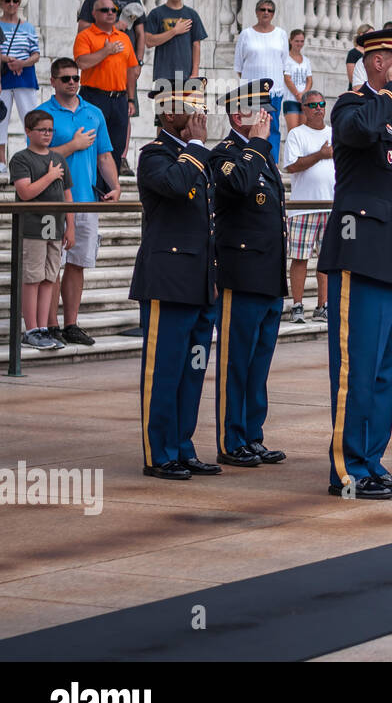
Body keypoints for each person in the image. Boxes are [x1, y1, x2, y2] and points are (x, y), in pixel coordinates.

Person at [319, 26, 392, 500]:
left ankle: (372, 461)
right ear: (378, 62)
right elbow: (357, 133)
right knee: (356, 368)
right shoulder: (353, 104)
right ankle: (347, 468)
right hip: (362, 254)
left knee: (386, 370)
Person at [131, 80, 222, 480]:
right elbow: (174, 185)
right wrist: (197, 148)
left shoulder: (194, 156)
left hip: (199, 283)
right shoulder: (154, 155)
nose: (200, 117)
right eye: (192, 109)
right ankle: (159, 453)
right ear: (170, 115)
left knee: (192, 372)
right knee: (163, 372)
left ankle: (183, 447)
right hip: (167, 282)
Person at [207, 79, 290, 468]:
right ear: (239, 114)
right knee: (235, 362)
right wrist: (256, 144)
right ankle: (231, 439)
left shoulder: (262, 154)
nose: (269, 116)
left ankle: (252, 435)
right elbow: (238, 184)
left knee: (258, 364)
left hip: (268, 275)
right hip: (240, 275)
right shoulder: (224, 153)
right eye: (262, 110)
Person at [37, 57, 120, 347]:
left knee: (77, 263)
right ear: (53, 81)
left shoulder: (94, 112)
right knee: (52, 265)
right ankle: (50, 325)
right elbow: (36, 157)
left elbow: (105, 154)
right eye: (66, 79)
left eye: (76, 78)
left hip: (86, 199)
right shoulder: (42, 113)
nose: (72, 83)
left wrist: (116, 185)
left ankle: (71, 323)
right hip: (52, 201)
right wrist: (72, 146)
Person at [12, 110, 74, 350]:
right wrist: (49, 177)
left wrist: (71, 226)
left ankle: (45, 328)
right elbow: (25, 193)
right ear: (29, 132)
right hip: (32, 228)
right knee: (32, 278)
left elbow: (68, 195)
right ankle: (32, 329)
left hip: (55, 229)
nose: (47, 134)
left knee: (49, 277)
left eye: (50, 130)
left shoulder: (59, 158)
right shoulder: (21, 159)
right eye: (42, 130)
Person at [74, 0, 139, 186]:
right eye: (105, 10)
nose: (110, 13)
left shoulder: (124, 37)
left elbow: (131, 70)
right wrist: (106, 51)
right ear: (94, 14)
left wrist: (131, 100)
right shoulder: (85, 36)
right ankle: (90, 187)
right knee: (91, 144)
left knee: (116, 146)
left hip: (119, 98)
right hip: (94, 96)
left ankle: (109, 188)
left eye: (113, 10)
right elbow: (81, 62)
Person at [283, 90, 333, 323]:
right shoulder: (297, 134)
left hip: (331, 205)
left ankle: (323, 306)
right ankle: (297, 305)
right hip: (304, 206)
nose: (318, 108)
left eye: (321, 104)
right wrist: (321, 155)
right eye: (313, 105)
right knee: (300, 259)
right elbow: (291, 166)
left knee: (327, 260)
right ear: (304, 108)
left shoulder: (335, 134)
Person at [233, 0, 289, 163]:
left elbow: (284, 63)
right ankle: (249, 162)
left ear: (273, 14)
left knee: (272, 128)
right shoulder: (246, 34)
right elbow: (239, 66)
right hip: (251, 91)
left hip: (274, 91)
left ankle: (271, 164)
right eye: (263, 9)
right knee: (249, 126)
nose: (266, 12)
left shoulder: (281, 34)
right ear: (256, 12)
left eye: (270, 10)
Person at [1, 0, 41, 178]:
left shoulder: (28, 26)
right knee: (1, 118)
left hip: (24, 75)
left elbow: (36, 54)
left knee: (32, 118)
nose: (11, 5)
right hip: (3, 75)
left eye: (15, 1)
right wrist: (7, 60)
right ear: (1, 3)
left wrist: (21, 63)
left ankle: (33, 157)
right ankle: (0, 160)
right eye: (7, 1)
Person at [142, 0, 207, 87]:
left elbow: (196, 45)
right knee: (165, 105)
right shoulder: (156, 13)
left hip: (186, 74)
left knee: (184, 105)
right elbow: (149, 41)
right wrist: (174, 31)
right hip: (163, 73)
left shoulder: (191, 14)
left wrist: (195, 72)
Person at [281, 29, 313, 130]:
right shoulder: (286, 58)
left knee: (303, 131)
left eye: (302, 41)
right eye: (297, 41)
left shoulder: (306, 60)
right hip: (290, 99)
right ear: (291, 41)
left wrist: (304, 94)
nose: (299, 44)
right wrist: (297, 94)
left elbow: (309, 79)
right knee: (293, 132)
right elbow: (287, 79)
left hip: (304, 101)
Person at [346, 24, 372, 88]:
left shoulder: (371, 52)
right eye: (370, 34)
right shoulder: (353, 53)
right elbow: (351, 78)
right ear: (361, 35)